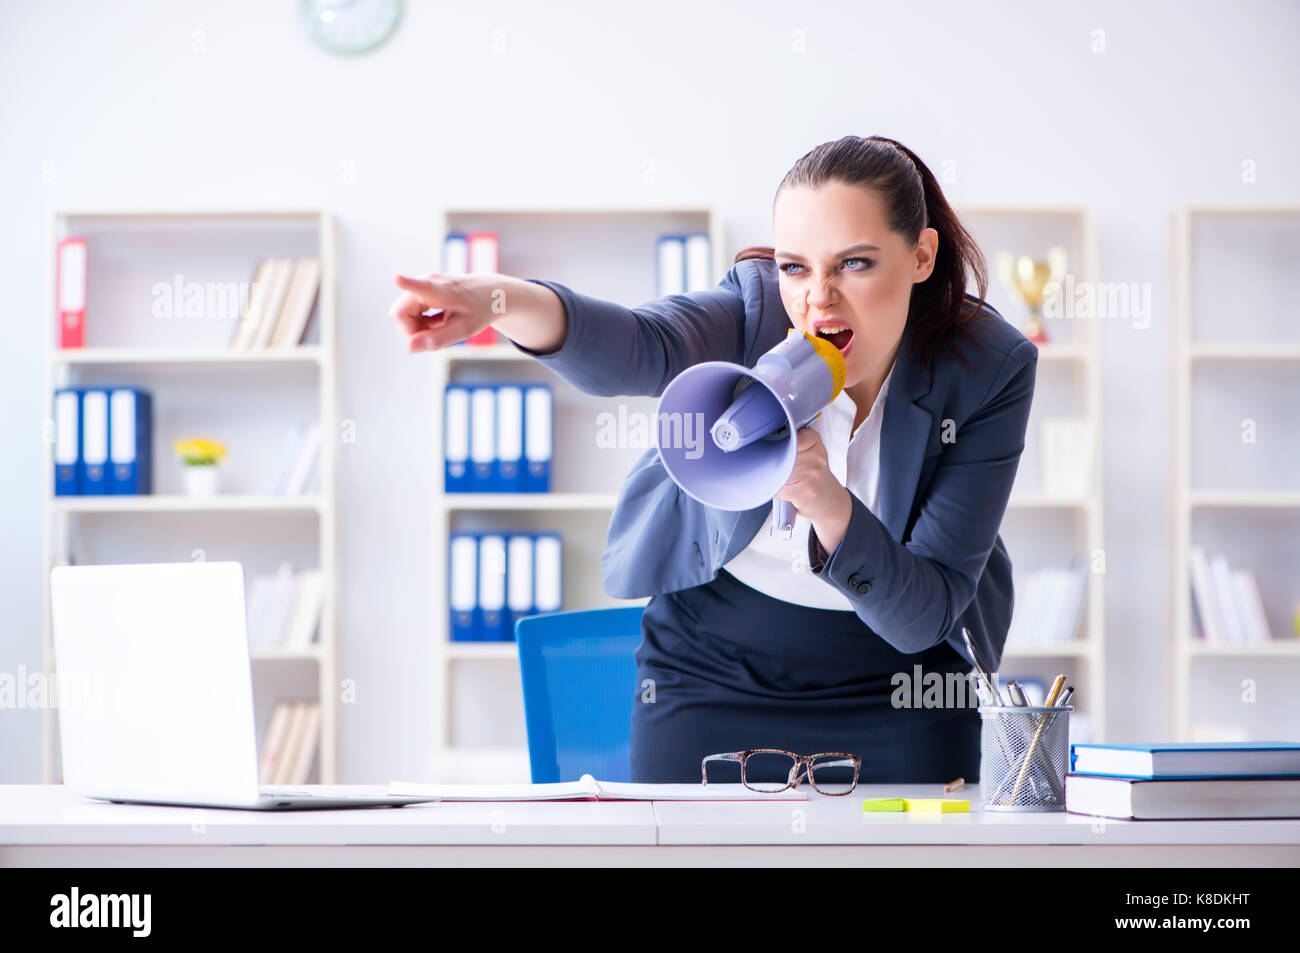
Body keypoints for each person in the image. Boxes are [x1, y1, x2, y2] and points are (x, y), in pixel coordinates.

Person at [390, 135, 1037, 786]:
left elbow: (923, 614)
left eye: (855, 264)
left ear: (921, 255)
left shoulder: (988, 369)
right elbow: (636, 345)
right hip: (708, 672)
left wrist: (827, 502)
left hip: (903, 690)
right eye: (795, 267)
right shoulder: (753, 315)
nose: (818, 299)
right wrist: (498, 301)